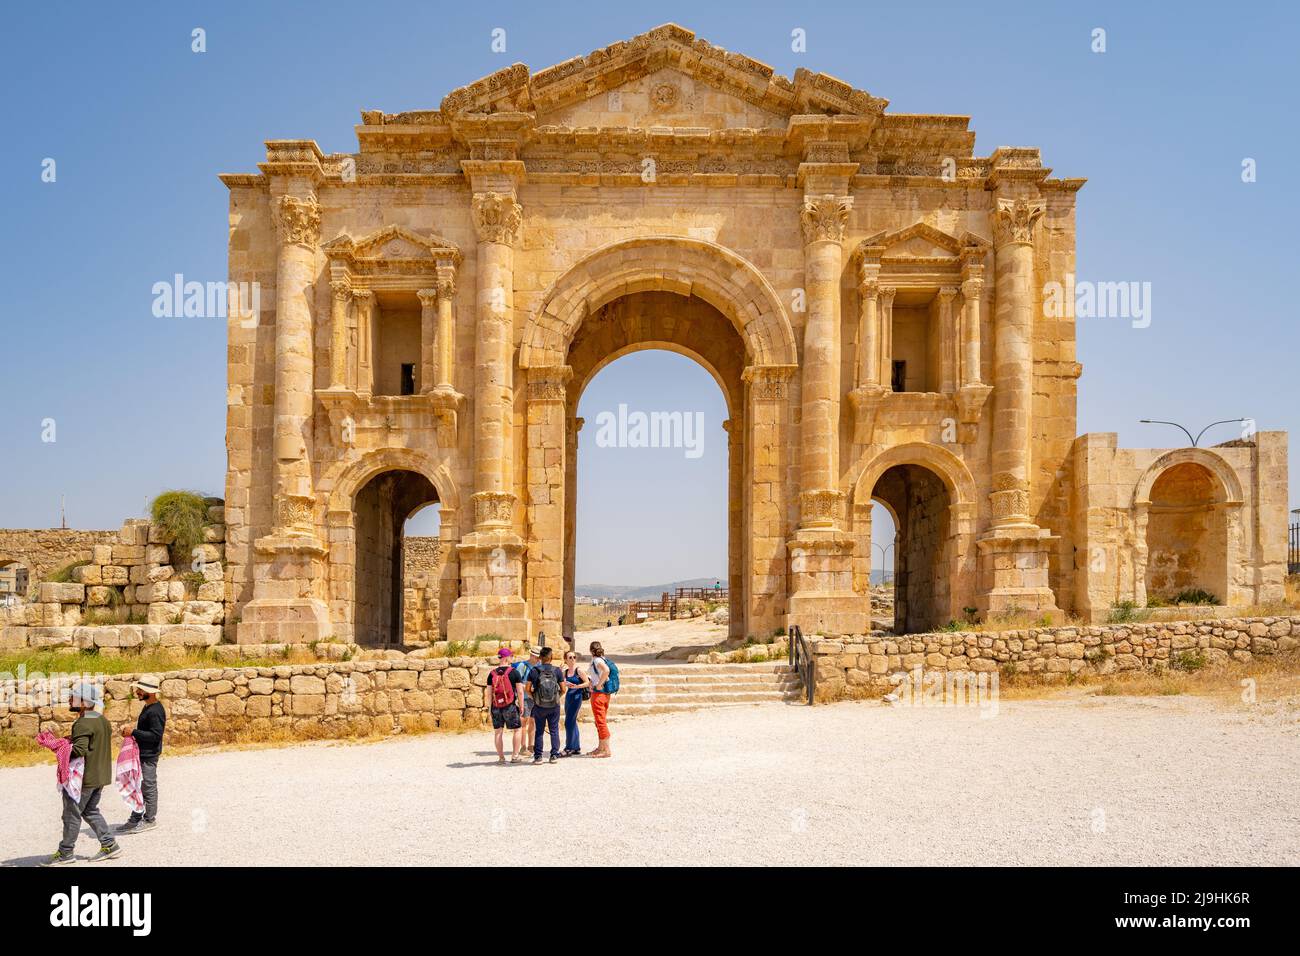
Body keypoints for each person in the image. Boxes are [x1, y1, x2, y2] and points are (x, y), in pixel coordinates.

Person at [43, 682, 122, 865]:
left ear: (84, 702)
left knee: (71, 814)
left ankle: (66, 853)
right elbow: (92, 744)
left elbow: (80, 750)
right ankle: (110, 845)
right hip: (100, 775)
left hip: (85, 779)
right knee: (90, 810)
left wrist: (60, 746)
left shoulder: (83, 722)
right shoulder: (102, 720)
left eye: (74, 697)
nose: (70, 699)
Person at [116, 675, 166, 834]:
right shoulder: (148, 708)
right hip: (142, 753)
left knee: (148, 786)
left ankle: (150, 819)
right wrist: (132, 732)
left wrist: (134, 732)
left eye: (140, 689)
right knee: (138, 787)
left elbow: (155, 736)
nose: (137, 692)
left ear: (149, 692)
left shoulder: (155, 711)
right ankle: (136, 818)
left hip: (149, 755)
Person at [484, 648, 524, 764]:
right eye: (511, 656)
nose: (512, 659)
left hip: (496, 706)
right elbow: (520, 691)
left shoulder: (492, 674)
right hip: (510, 706)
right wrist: (521, 706)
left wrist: (490, 708)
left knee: (498, 732)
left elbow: (489, 693)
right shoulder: (514, 672)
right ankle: (515, 756)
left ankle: (501, 758)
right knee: (517, 730)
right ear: (507, 658)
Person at [528, 647, 564, 764]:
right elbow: (563, 689)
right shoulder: (557, 671)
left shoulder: (534, 671)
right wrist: (557, 697)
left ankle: (538, 757)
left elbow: (527, 688)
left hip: (539, 705)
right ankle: (554, 755)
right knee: (554, 730)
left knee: (539, 731)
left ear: (540, 658)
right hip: (554, 705)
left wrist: (534, 697)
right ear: (551, 657)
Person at [586, 642, 613, 758]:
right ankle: (600, 747)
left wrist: (598, 685)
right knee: (599, 721)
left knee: (600, 722)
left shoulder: (597, 660)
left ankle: (606, 750)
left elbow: (606, 671)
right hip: (605, 694)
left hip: (599, 694)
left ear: (591, 650)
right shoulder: (602, 659)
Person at [561, 650, 589, 757]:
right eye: (570, 657)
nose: (573, 659)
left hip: (577, 696)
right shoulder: (566, 672)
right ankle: (576, 747)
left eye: (574, 657)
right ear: (566, 660)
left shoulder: (579, 670)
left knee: (568, 722)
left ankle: (569, 748)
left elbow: (587, 682)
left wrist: (577, 686)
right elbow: (561, 682)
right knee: (572, 722)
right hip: (569, 697)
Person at [515, 647, 539, 750]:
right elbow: (517, 683)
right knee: (524, 722)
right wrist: (529, 689)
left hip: (535, 698)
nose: (538, 659)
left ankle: (531, 745)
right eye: (537, 657)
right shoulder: (522, 666)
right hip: (525, 698)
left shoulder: (539, 666)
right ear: (532, 655)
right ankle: (523, 746)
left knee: (533, 722)